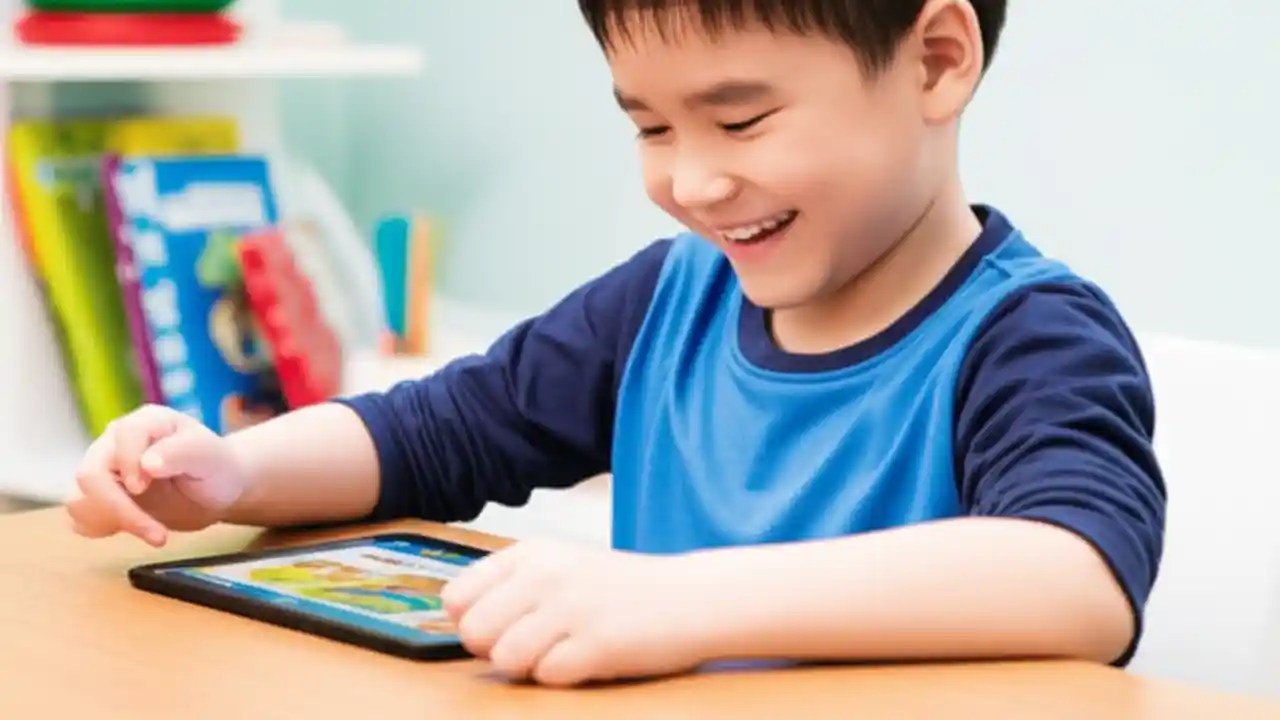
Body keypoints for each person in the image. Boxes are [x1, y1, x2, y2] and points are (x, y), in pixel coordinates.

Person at [65, 0, 1166, 688]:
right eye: (649, 126)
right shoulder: (667, 300)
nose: (689, 182)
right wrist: (236, 470)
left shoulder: (1031, 335)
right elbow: (441, 433)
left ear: (932, 60)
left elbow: (1075, 579)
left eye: (739, 121)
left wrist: (682, 599)